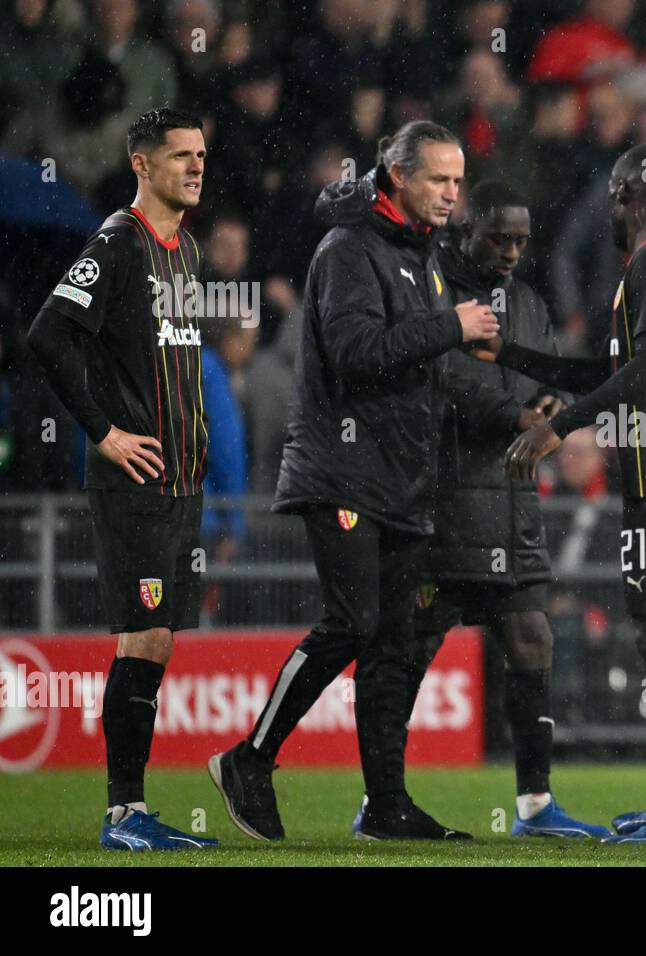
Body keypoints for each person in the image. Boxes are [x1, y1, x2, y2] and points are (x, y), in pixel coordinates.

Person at [208, 121, 499, 842]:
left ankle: (387, 804)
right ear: (398, 176)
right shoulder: (348, 249)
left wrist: (503, 395)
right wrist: (447, 329)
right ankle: (249, 758)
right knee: (354, 623)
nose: (452, 194)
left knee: (393, 639)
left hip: (398, 474)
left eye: (458, 181)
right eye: (439, 179)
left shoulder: (417, 255)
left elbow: (415, 362)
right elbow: (355, 353)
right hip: (341, 471)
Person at [474, 143, 646, 845]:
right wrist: (517, 359)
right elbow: (614, 368)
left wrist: (558, 428)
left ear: (621, 195)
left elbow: (644, 371)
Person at [25, 106, 218, 850]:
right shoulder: (118, 244)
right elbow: (47, 333)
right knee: (142, 636)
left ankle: (131, 812)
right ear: (142, 164)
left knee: (159, 638)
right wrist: (103, 433)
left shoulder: (187, 252)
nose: (196, 167)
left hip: (177, 480)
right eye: (180, 157)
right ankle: (122, 815)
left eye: (201, 156)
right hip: (132, 479)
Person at [411, 179, 608, 839]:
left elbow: (542, 372)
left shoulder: (525, 301)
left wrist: (548, 401)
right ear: (466, 227)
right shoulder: (431, 288)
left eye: (521, 240)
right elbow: (438, 377)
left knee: (533, 639)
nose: (511, 251)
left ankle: (534, 807)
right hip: (446, 497)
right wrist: (515, 412)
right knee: (409, 647)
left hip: (514, 498)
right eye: (499, 238)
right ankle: (383, 796)